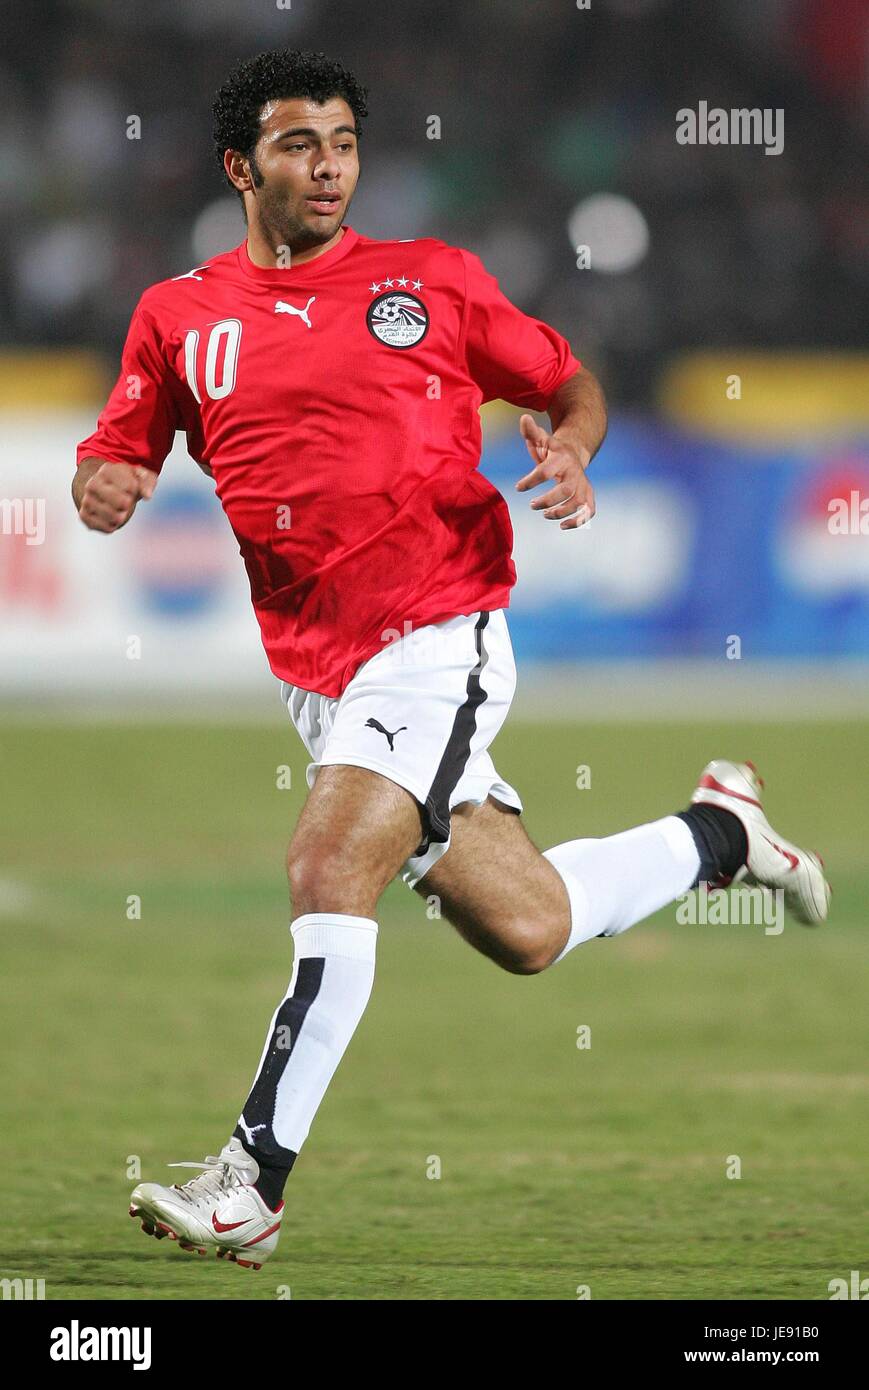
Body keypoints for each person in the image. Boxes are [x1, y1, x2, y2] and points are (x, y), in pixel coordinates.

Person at [72, 49, 830, 1270]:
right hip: (317, 673)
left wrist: (573, 446)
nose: (326, 168)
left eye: (343, 145)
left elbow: (564, 380)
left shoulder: (427, 283)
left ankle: (249, 1182)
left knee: (329, 861)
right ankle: (720, 833)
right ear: (238, 165)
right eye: (296, 145)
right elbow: (118, 447)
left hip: (438, 628)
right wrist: (103, 482)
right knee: (529, 927)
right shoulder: (177, 315)